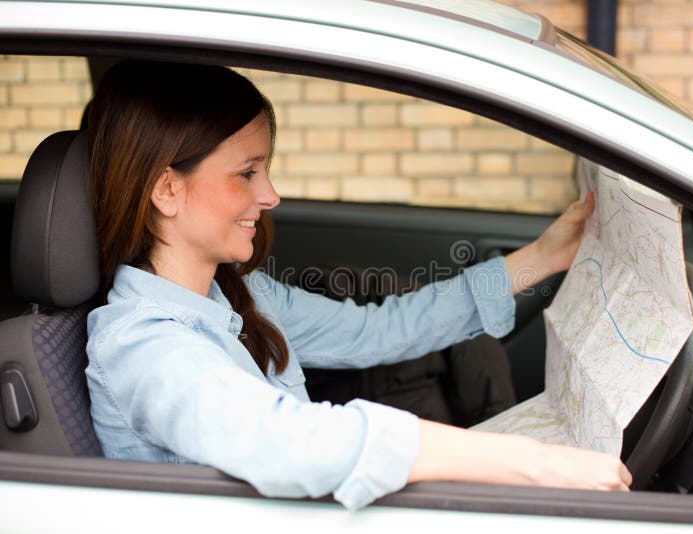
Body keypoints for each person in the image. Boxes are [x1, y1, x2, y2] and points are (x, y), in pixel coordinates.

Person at [84, 60, 631, 510]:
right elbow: (291, 442)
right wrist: (534, 463)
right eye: (248, 172)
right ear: (167, 190)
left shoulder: (238, 297)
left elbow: (380, 330)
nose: (270, 194)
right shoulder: (145, 347)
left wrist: (543, 257)